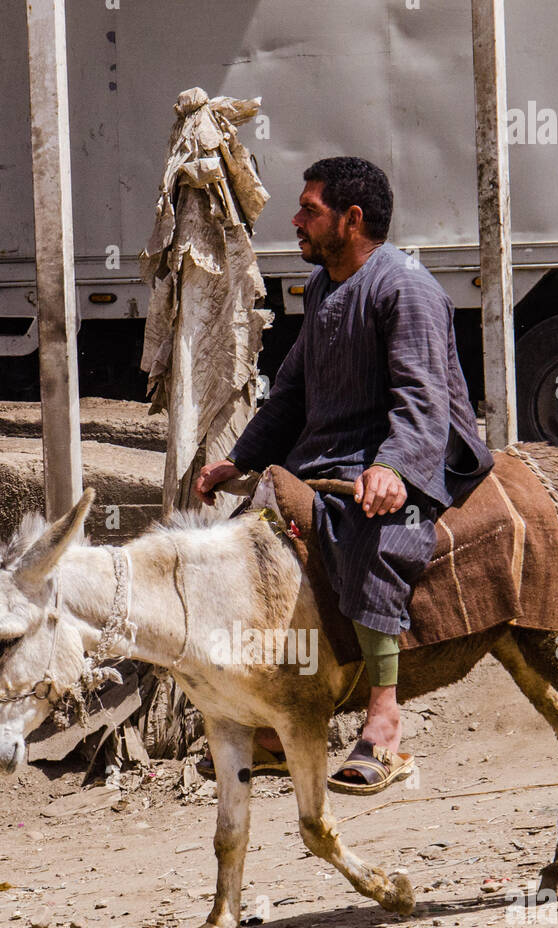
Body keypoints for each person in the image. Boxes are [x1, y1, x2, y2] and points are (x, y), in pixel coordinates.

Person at [195, 156, 493, 792]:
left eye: (309, 210)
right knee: (250, 536)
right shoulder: (328, 287)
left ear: (352, 220)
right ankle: (276, 726)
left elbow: (423, 399)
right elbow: (292, 392)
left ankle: (384, 726)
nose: (296, 221)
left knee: (369, 535)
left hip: (415, 455)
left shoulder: (405, 287)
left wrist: (393, 470)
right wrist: (240, 460)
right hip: (334, 456)